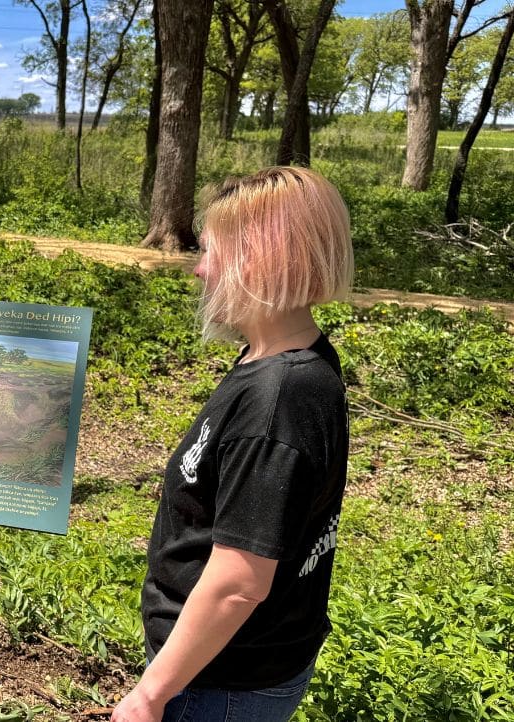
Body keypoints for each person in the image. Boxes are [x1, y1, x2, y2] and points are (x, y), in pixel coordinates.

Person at [113, 166, 354, 722]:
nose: (199, 270)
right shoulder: (282, 360)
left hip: (219, 685)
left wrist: (151, 694)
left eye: (210, 251)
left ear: (260, 259)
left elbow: (238, 583)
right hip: (225, 669)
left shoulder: (279, 396)